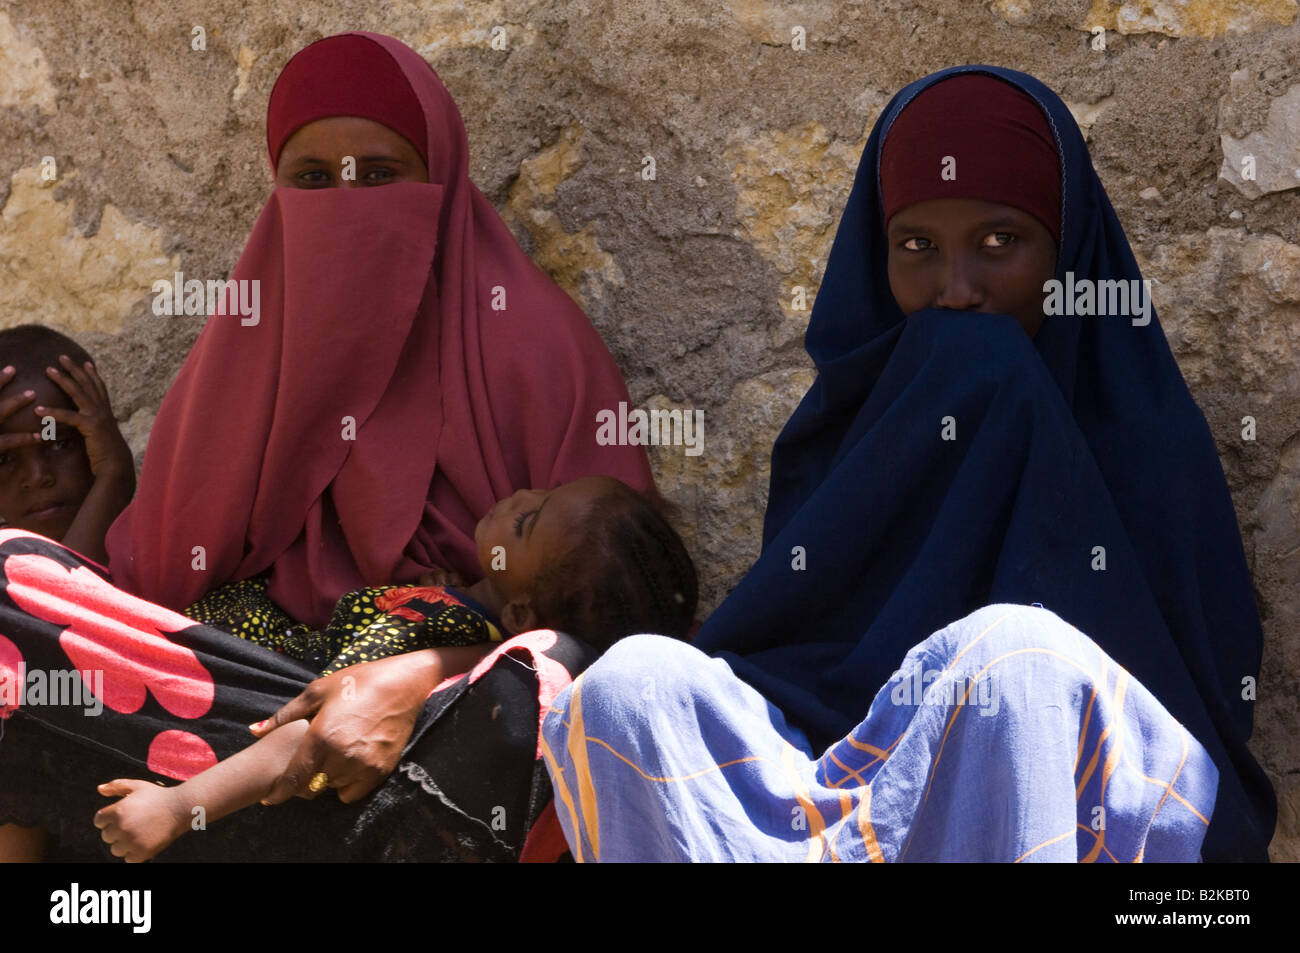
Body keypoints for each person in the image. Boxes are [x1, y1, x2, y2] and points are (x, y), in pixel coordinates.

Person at [539, 67, 1274, 861]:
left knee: (1013, 663)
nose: (956, 290)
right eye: (917, 247)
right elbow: (787, 671)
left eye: (1001, 243)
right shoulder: (847, 433)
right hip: (835, 803)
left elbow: (1193, 751)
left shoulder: (1147, 445)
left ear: (1067, 256)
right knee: (633, 683)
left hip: (1082, 827)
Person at [0, 32, 657, 862]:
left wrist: (408, 679)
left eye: (380, 177)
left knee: (538, 700)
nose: (347, 206)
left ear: (440, 184)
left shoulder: (537, 350)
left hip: (436, 735)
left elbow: (614, 625)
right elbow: (146, 591)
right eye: (313, 180)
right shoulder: (243, 354)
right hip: (235, 712)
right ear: (278, 197)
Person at [93, 476, 696, 862]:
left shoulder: (458, 641)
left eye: (529, 522)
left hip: (268, 711)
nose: (520, 497)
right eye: (543, 492)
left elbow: (320, 735)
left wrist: (178, 808)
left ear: (522, 613)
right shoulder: (455, 602)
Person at [0, 326, 135, 566]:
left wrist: (113, 472)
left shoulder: (159, 553)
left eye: (60, 444)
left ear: (105, 440)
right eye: (4, 459)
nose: (38, 476)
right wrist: (115, 477)